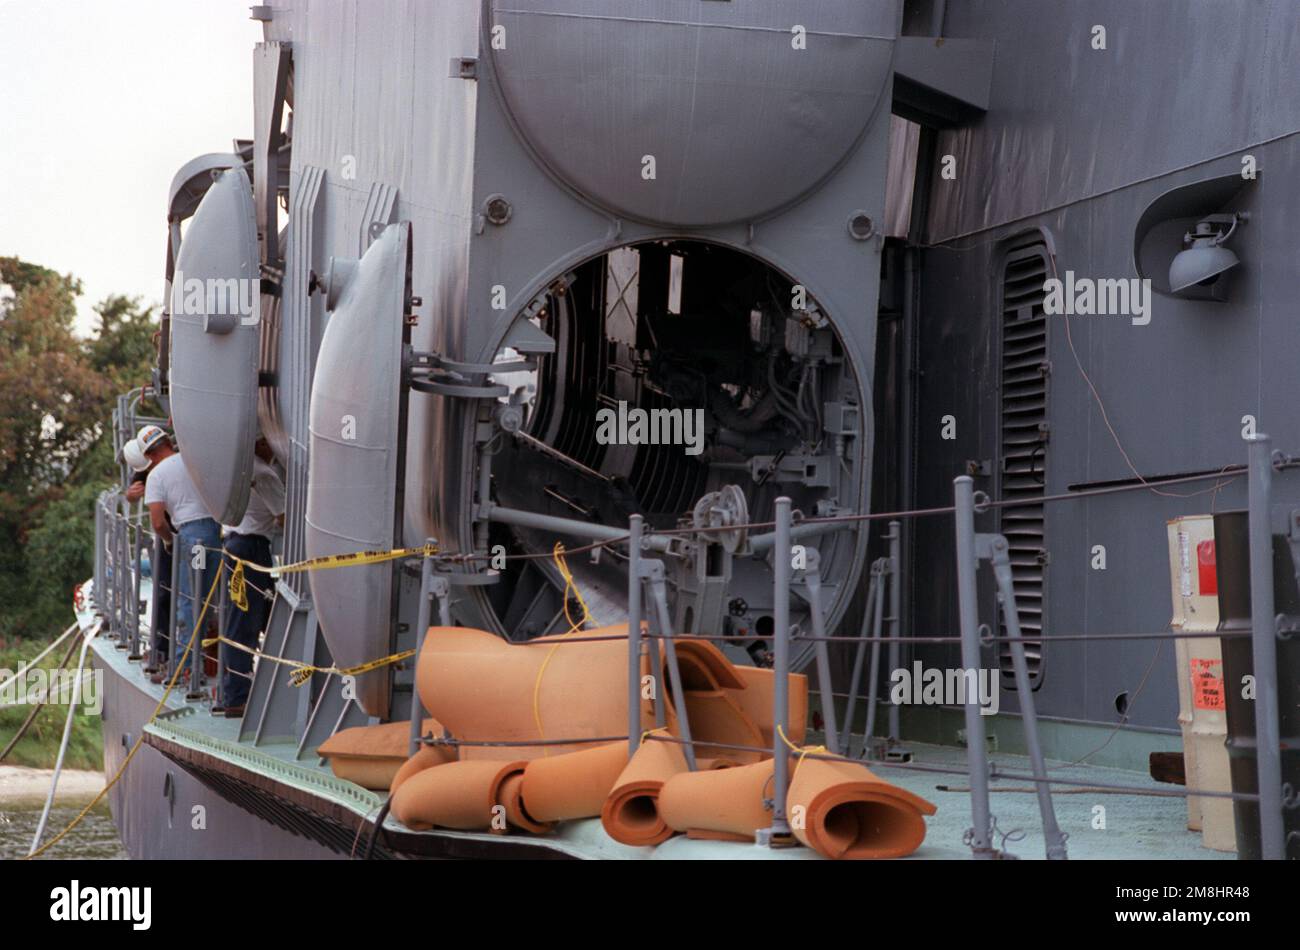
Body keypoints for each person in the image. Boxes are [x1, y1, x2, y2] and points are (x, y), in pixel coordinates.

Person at [140, 424, 221, 679]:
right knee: (209, 599)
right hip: (214, 533)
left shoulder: (155, 476)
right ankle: (204, 666)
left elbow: (157, 522)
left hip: (191, 537)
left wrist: (168, 541)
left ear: (148, 456)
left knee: (188, 601)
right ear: (168, 442)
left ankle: (184, 669)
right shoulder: (192, 461)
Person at [218, 437, 285, 717]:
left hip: (236, 544)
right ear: (260, 443)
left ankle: (238, 690)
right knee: (245, 623)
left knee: (259, 618)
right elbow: (284, 515)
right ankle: (237, 696)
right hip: (252, 548)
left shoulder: (239, 471)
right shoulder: (264, 474)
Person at [123, 438, 173, 672]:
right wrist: (131, 495)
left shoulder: (178, 464)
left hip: (192, 540)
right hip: (167, 537)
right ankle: (162, 648)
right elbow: (132, 494)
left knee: (192, 592)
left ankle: (191, 654)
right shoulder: (147, 472)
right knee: (164, 591)